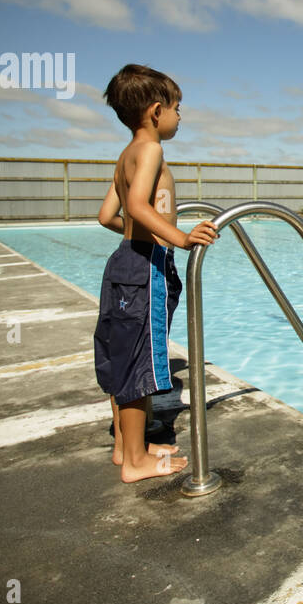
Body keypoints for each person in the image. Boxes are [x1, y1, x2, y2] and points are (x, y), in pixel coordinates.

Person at [94, 64, 219, 482]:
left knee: (124, 356)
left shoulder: (125, 155)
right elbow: (138, 209)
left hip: (125, 259)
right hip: (144, 267)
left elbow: (106, 215)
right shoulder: (150, 151)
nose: (180, 116)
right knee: (140, 362)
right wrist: (179, 238)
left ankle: (126, 449)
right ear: (155, 110)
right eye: (178, 108)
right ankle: (136, 463)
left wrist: (139, 233)